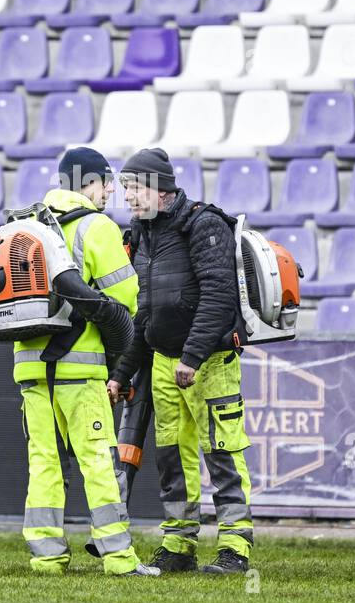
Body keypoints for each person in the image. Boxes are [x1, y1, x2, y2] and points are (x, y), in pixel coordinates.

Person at [13, 147, 160, 577]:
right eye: (105, 181)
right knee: (97, 459)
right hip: (80, 371)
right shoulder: (97, 227)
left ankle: (46, 558)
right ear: (88, 183)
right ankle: (119, 558)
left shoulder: (26, 224)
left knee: (43, 460)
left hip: (31, 368)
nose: (111, 190)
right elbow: (127, 300)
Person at [107, 148, 254, 575]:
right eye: (125, 189)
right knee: (172, 458)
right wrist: (121, 373)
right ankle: (178, 544)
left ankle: (235, 549)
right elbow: (143, 313)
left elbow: (218, 295)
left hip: (210, 363)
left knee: (222, 454)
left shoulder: (204, 224)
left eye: (133, 188)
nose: (128, 198)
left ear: (157, 187)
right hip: (162, 365)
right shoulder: (140, 233)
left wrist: (191, 356)